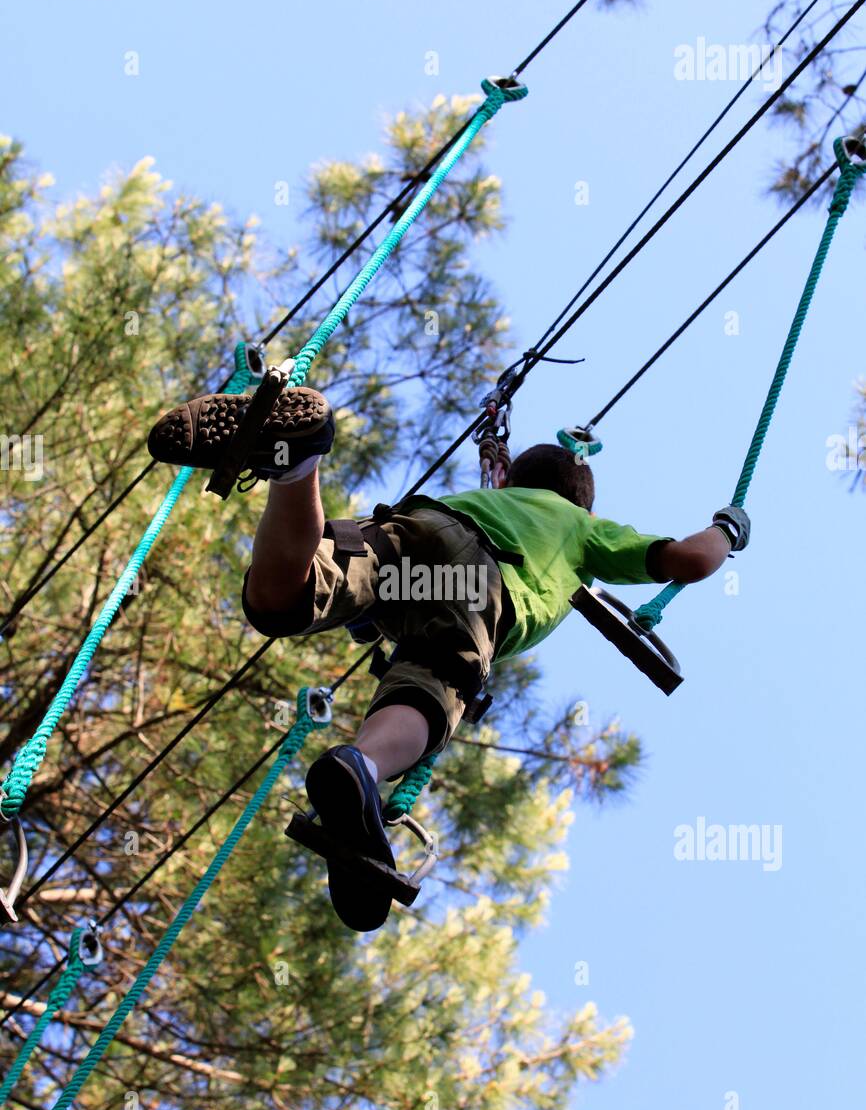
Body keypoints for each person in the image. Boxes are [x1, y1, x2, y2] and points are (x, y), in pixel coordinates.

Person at [148, 383, 750, 929]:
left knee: (283, 599)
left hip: (413, 525)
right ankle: (362, 765)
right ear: (583, 507)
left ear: (513, 480)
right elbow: (690, 561)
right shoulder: (586, 529)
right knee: (433, 681)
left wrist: (369, 613)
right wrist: (727, 530)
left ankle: (297, 462)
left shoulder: (491, 496)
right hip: (476, 582)